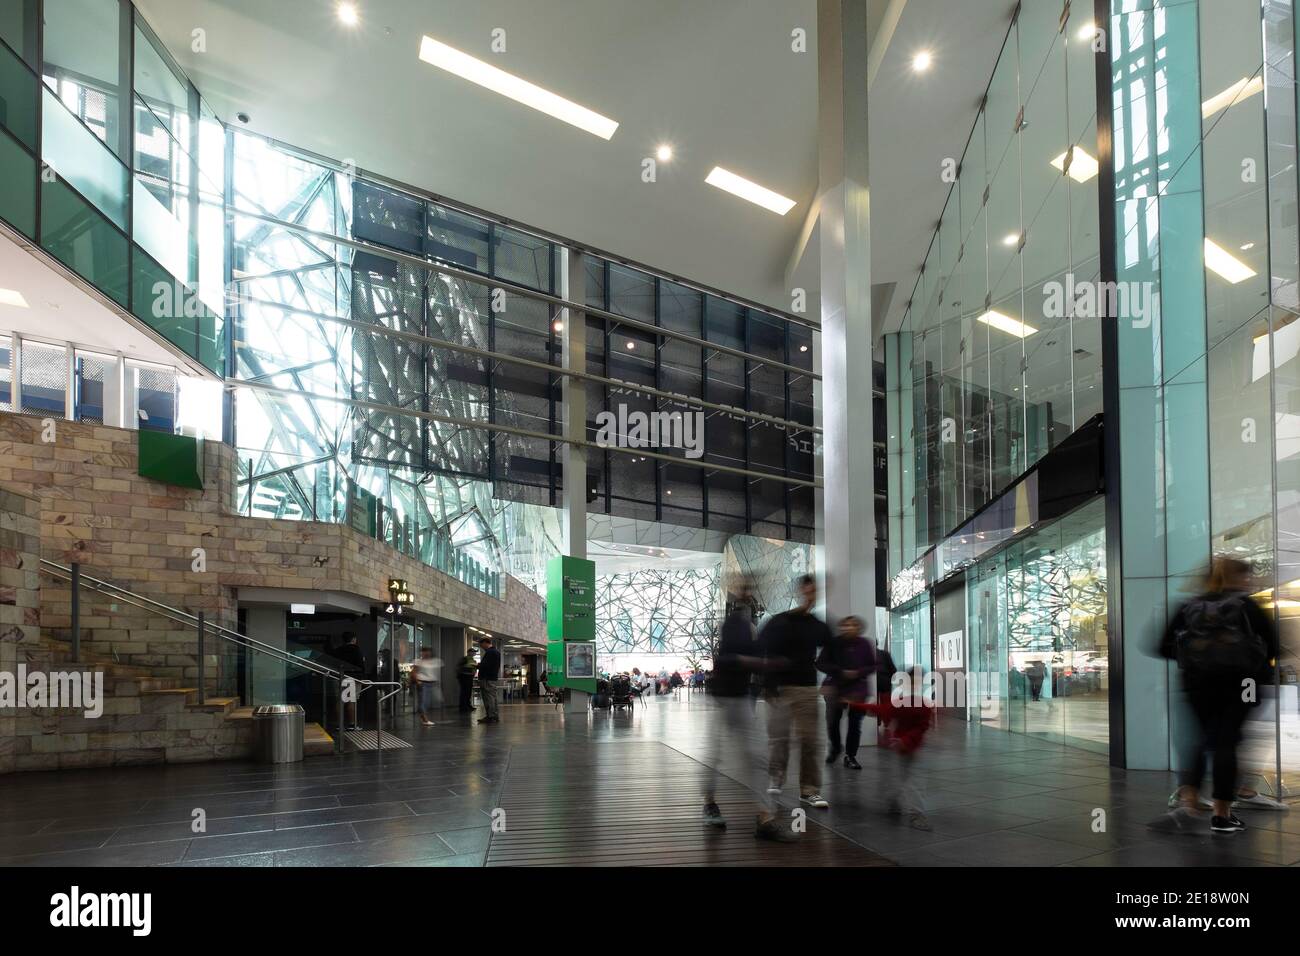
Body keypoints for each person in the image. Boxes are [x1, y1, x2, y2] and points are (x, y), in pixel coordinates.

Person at [1158, 557, 1278, 833]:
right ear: (1239, 578)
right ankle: (1222, 814)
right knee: (1229, 741)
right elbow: (1272, 646)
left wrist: (1195, 658)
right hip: (1244, 684)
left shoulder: (1189, 607)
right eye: (1247, 576)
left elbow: (1162, 647)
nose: (1250, 581)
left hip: (1197, 685)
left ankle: (1189, 802)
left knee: (1201, 738)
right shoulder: (1247, 606)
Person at [702, 576, 780, 837]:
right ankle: (710, 803)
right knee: (716, 755)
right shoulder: (734, 623)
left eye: (748, 588)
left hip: (740, 696)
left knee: (755, 755)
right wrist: (749, 659)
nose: (747, 593)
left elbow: (756, 656)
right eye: (742, 589)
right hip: (727, 696)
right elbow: (727, 657)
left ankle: (765, 815)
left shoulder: (751, 624)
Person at [759, 574, 833, 817]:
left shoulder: (817, 625)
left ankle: (809, 789)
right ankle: (776, 781)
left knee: (811, 740)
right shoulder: (780, 621)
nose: (811, 595)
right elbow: (764, 651)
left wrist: (833, 678)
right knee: (778, 741)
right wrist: (768, 686)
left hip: (806, 689)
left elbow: (833, 649)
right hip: (780, 690)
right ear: (800, 590)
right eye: (808, 590)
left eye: (815, 591)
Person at [853, 667, 934, 830]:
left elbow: (920, 726)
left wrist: (855, 705)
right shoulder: (908, 703)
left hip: (908, 746)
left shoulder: (919, 704)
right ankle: (905, 808)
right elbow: (881, 710)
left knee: (908, 779)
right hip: (903, 746)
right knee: (904, 778)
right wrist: (855, 705)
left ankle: (910, 810)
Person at [817, 615, 876, 770]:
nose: (849, 627)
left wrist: (858, 672)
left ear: (859, 628)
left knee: (855, 724)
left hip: (858, 690)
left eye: (853, 625)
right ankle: (836, 747)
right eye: (846, 625)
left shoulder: (865, 644)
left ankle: (850, 756)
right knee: (833, 722)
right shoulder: (833, 644)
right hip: (835, 688)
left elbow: (872, 665)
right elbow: (820, 663)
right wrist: (839, 671)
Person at [332, 631, 365, 730]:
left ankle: (339, 725)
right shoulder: (356, 650)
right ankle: (351, 724)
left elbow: (334, 664)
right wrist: (361, 679)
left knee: (340, 700)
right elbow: (361, 665)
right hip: (353, 678)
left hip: (340, 677)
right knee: (351, 701)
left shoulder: (338, 650)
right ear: (354, 639)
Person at [411, 646, 441, 726]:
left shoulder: (434, 661)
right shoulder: (418, 662)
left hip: (431, 683)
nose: (426, 653)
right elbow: (413, 673)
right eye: (424, 652)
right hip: (422, 683)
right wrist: (418, 682)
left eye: (428, 651)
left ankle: (423, 715)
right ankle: (424, 719)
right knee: (423, 701)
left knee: (427, 702)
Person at [476, 636, 501, 724]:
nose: (481, 646)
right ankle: (494, 716)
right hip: (492, 678)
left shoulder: (490, 652)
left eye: (481, 644)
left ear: (485, 643)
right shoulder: (496, 652)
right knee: (492, 698)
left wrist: (477, 665)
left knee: (488, 698)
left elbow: (486, 665)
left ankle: (491, 717)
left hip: (487, 678)